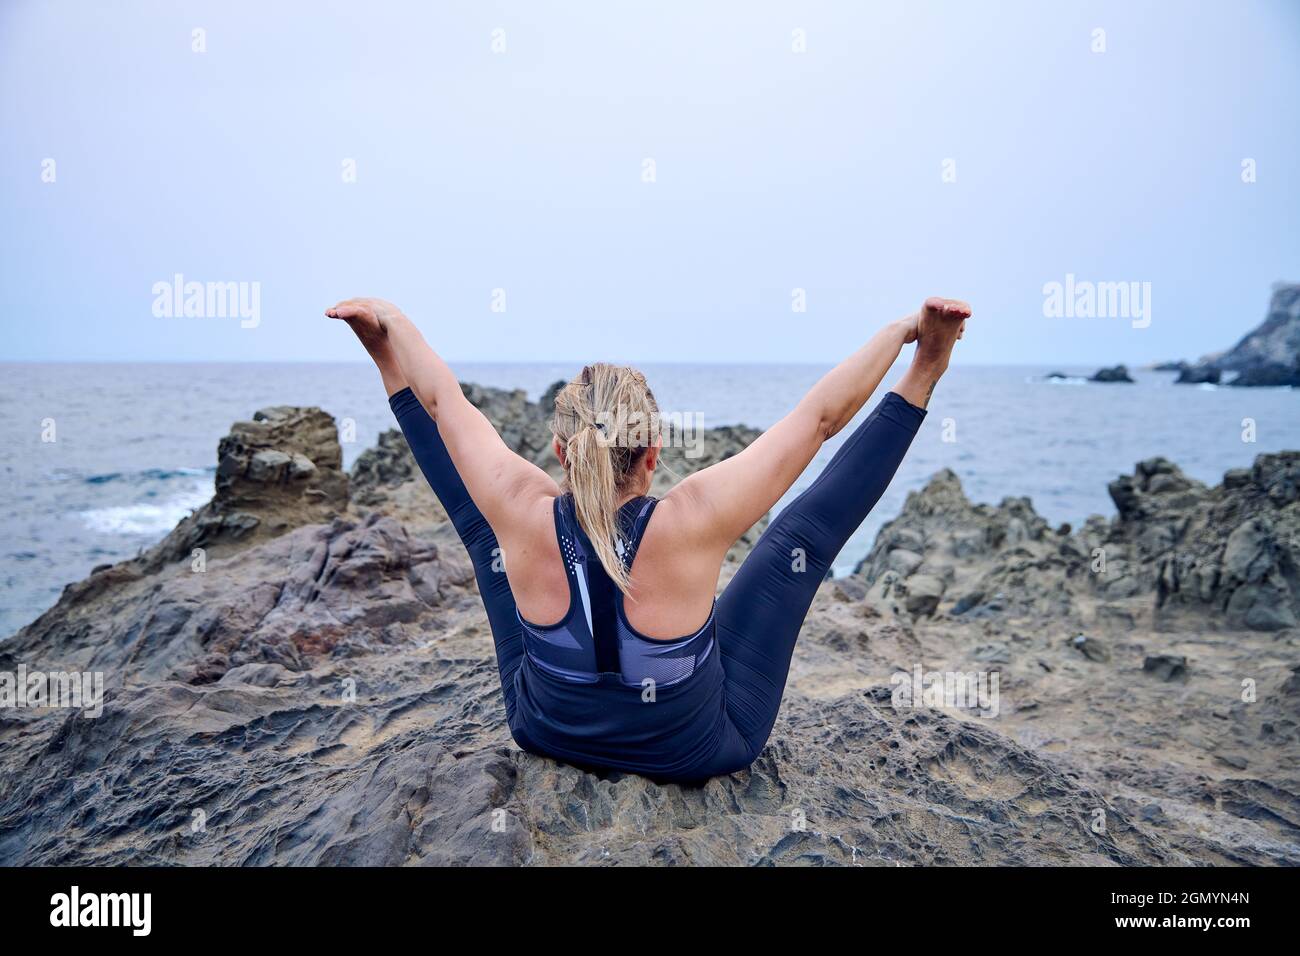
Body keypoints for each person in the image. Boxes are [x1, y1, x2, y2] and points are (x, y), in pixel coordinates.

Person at [327, 296, 969, 782]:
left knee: (481, 527)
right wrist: (907, 340)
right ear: (654, 452)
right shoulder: (693, 520)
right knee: (799, 538)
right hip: (693, 751)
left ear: (560, 450)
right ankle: (925, 376)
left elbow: (443, 406)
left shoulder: (520, 510)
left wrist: (389, 330)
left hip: (545, 729)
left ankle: (383, 363)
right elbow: (821, 419)